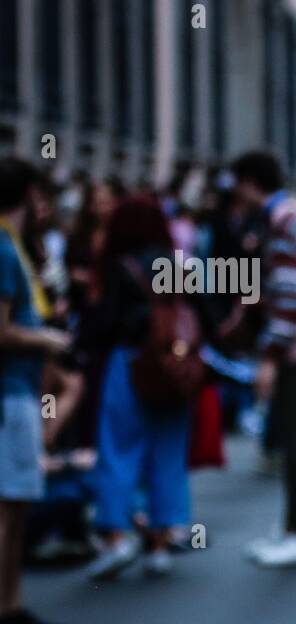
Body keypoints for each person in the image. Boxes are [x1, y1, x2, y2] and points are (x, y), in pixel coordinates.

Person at [80, 195, 205, 580]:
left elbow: (102, 325)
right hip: (174, 364)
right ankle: (160, 541)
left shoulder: (121, 267)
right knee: (168, 451)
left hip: (130, 361)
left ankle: (117, 535)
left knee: (119, 448)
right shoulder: (176, 264)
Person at [232, 151, 296, 568]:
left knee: (294, 437)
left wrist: (270, 356)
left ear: (252, 182)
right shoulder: (291, 216)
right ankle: (295, 526)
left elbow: (289, 294)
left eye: (238, 183)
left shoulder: (283, 220)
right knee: (294, 436)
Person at [0, 157, 71, 624]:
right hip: (10, 393)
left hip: (18, 391)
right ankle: (5, 607)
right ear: (28, 195)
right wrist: (46, 339)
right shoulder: (4, 250)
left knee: (17, 505)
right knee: (9, 506)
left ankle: (10, 605)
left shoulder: (12, 247)